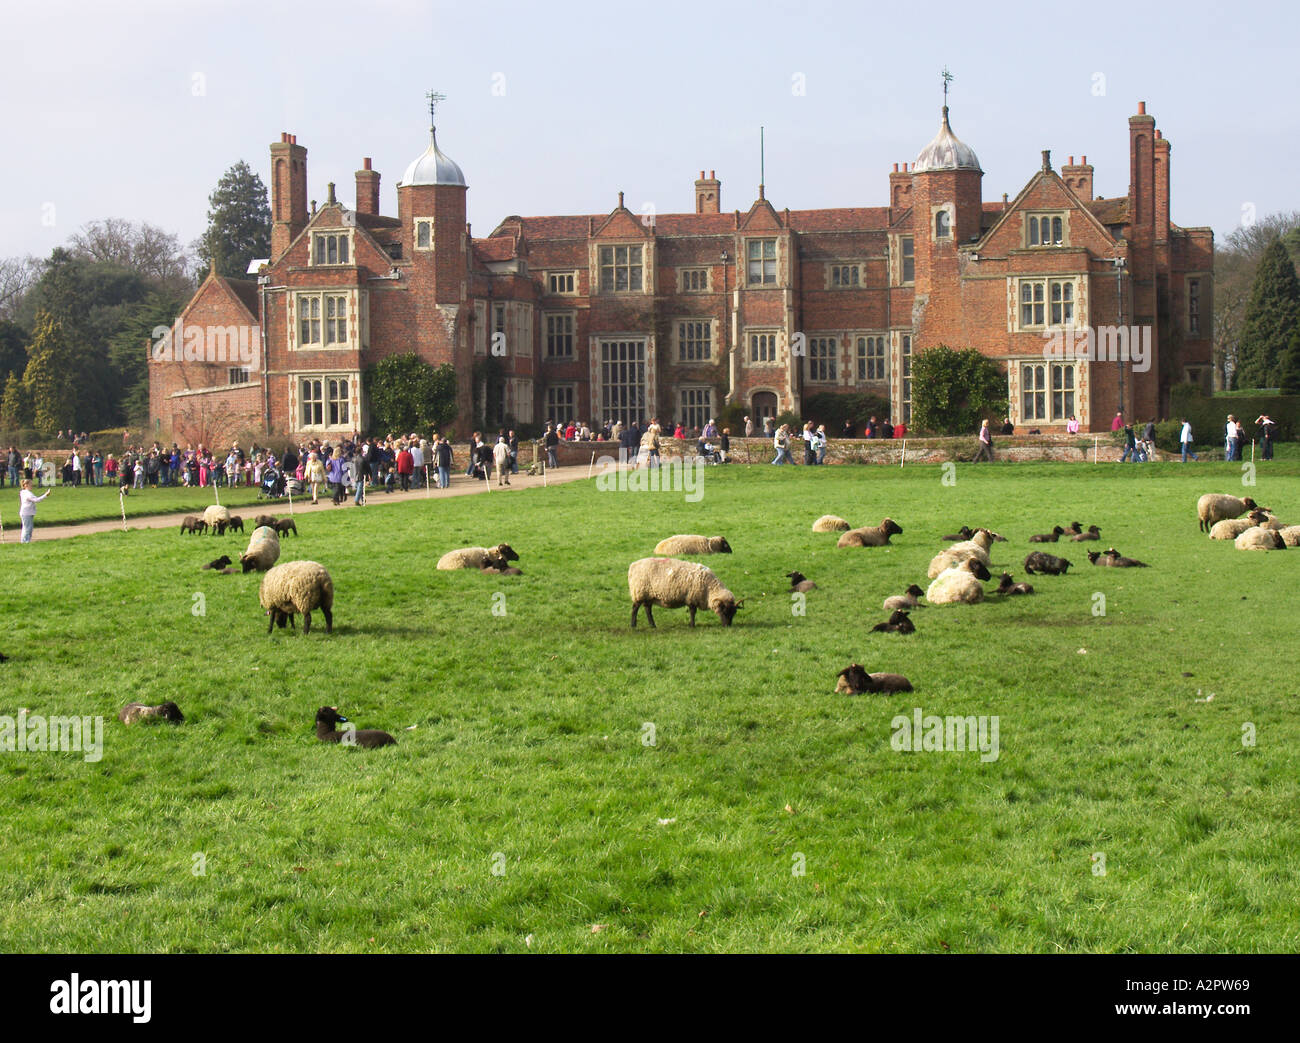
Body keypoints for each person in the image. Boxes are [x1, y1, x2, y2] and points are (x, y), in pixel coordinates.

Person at [18, 478, 51, 543]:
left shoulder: (24, 492)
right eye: (30, 484)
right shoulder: (27, 493)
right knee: (27, 528)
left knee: (27, 528)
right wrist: (46, 495)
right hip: (26, 513)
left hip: (27, 512)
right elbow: (36, 500)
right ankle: (25, 541)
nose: (32, 486)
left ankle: (25, 540)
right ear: (26, 485)